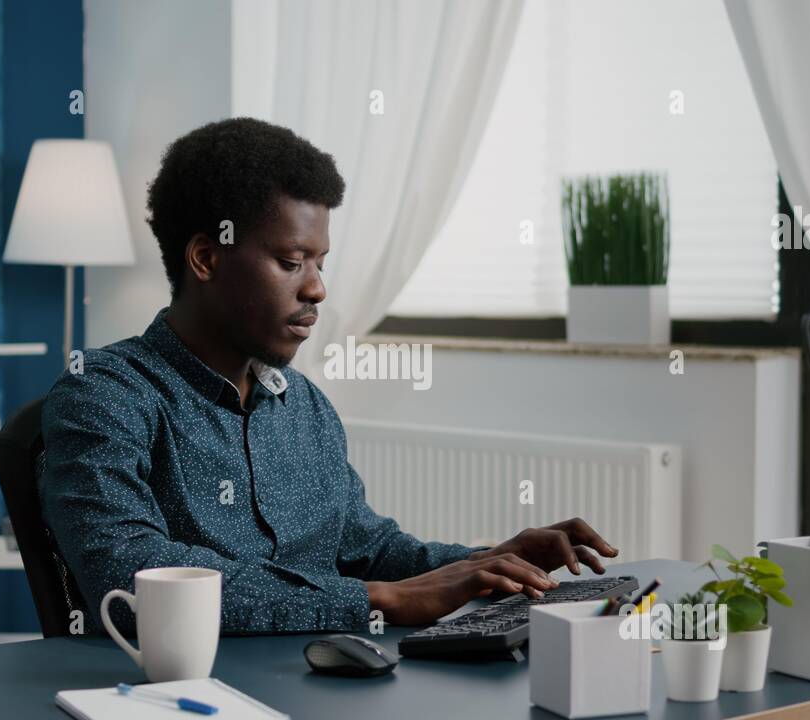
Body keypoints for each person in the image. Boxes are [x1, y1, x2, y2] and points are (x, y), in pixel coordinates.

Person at [39, 117, 617, 635]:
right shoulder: (103, 396)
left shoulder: (305, 406)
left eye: (320, 263)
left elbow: (369, 550)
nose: (316, 288)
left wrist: (485, 563)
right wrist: (374, 601)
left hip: (323, 687)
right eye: (291, 263)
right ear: (206, 259)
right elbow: (132, 575)